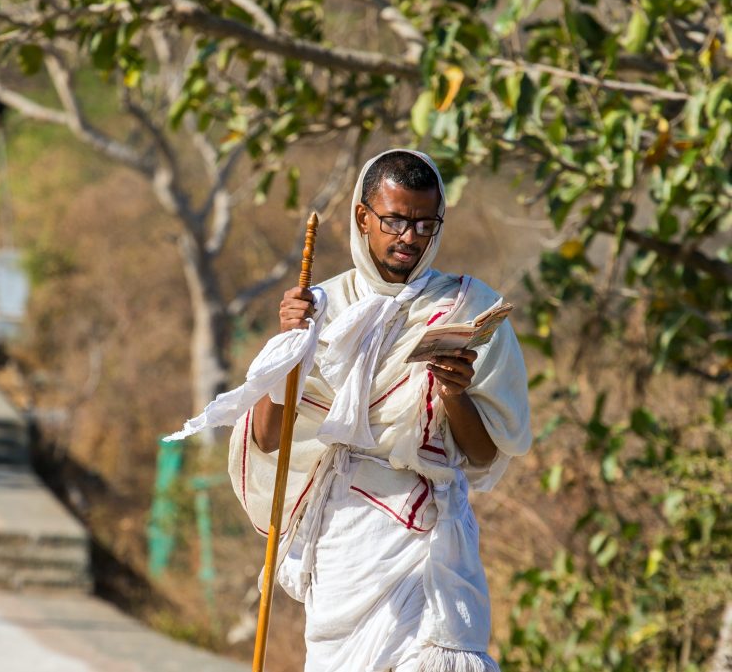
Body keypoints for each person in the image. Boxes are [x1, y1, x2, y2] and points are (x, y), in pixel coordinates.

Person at [167, 149, 531, 671]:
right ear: (363, 217)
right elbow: (270, 439)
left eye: (426, 224)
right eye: (395, 221)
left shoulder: (467, 308)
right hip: (346, 539)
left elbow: (481, 456)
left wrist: (453, 393)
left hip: (430, 537)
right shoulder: (321, 308)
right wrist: (287, 349)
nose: (410, 237)